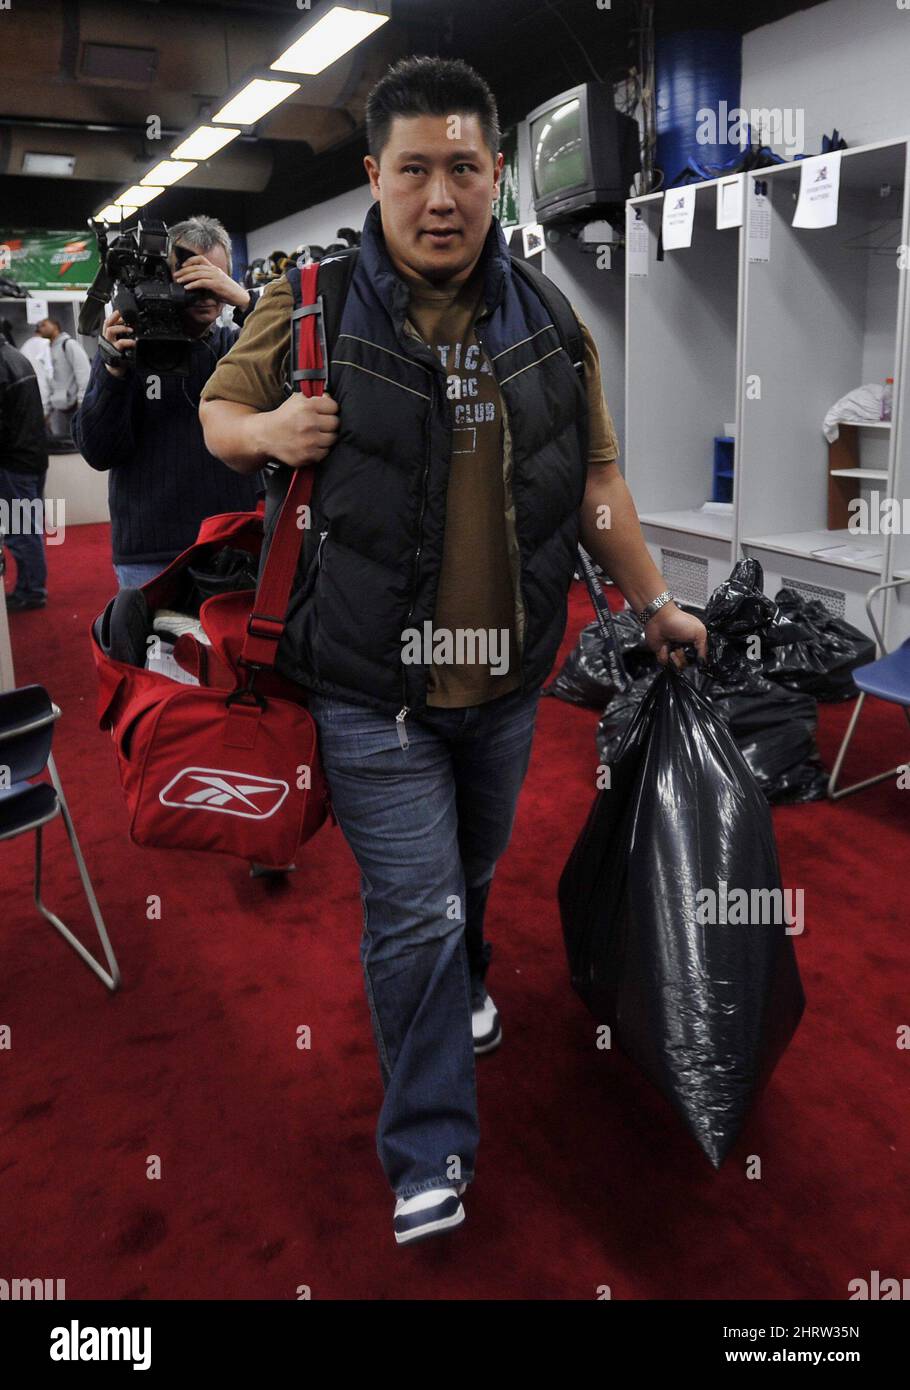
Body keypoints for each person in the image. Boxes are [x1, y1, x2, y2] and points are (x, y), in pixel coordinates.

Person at [200, 56, 707, 1246]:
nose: (441, 196)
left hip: (509, 676)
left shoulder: (547, 316)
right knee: (415, 910)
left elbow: (595, 480)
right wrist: (271, 427)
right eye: (415, 170)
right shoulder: (311, 297)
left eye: (464, 170)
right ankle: (428, 1146)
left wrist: (649, 605)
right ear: (375, 176)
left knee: (469, 882)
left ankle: (469, 977)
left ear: (495, 181)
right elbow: (221, 420)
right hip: (372, 688)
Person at [74, 215, 263, 589]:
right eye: (191, 276)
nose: (205, 291)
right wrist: (114, 371)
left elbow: (303, 348)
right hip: (152, 553)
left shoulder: (243, 344)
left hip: (235, 543)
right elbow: (98, 451)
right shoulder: (127, 348)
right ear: (162, 276)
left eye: (215, 278)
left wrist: (245, 301)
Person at [0, 337, 49, 610]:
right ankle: (30, 588)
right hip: (29, 457)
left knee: (22, 532)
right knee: (27, 529)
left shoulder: (3, 363)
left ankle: (31, 591)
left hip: (14, 462)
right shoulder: (14, 357)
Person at [36, 316, 91, 442]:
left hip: (75, 407)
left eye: (44, 324)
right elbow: (50, 380)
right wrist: (47, 411)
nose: (40, 328)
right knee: (63, 446)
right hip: (58, 409)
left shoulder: (69, 344)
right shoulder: (47, 349)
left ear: (55, 326)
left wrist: (82, 403)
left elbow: (83, 373)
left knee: (78, 445)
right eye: (39, 326)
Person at [18, 327, 53, 415]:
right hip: (47, 396)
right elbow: (50, 372)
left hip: (29, 397)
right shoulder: (46, 344)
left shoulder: (25, 346)